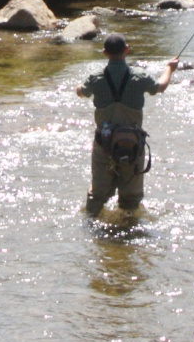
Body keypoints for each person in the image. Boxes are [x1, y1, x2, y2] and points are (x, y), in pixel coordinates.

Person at [77, 34, 179, 213]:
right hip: (132, 144)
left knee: (97, 194)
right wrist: (169, 68)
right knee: (131, 197)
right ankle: (129, 230)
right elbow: (160, 87)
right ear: (126, 50)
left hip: (104, 143)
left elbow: (81, 92)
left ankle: (91, 229)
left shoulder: (95, 78)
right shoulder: (140, 77)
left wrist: (78, 87)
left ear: (104, 53)